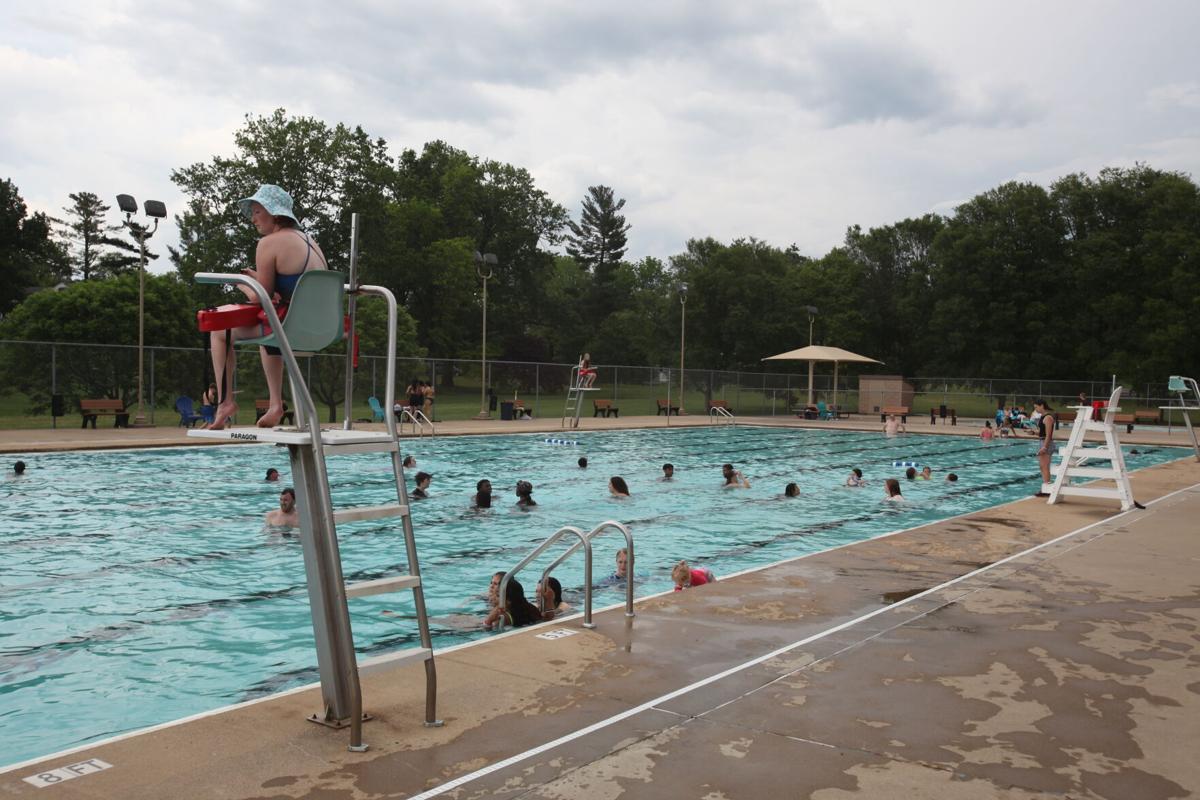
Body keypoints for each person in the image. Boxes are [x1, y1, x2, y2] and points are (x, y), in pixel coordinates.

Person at [206, 184, 328, 430]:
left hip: (292, 327)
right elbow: (283, 291)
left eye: (257, 212)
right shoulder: (310, 241)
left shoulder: (268, 243)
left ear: (274, 213)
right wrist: (258, 280)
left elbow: (259, 298)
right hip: (323, 327)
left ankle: (225, 402)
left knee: (219, 332)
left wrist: (245, 284)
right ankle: (275, 405)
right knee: (268, 330)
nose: (252, 219)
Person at [1032, 399, 1057, 496]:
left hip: (1046, 443)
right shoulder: (1043, 417)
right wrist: (1033, 432)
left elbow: (1048, 435)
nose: (1035, 409)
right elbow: (1042, 432)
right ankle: (1045, 488)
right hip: (1043, 442)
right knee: (1042, 467)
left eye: (1036, 407)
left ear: (1042, 406)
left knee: (1045, 466)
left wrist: (1044, 447)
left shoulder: (1048, 417)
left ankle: (1047, 489)